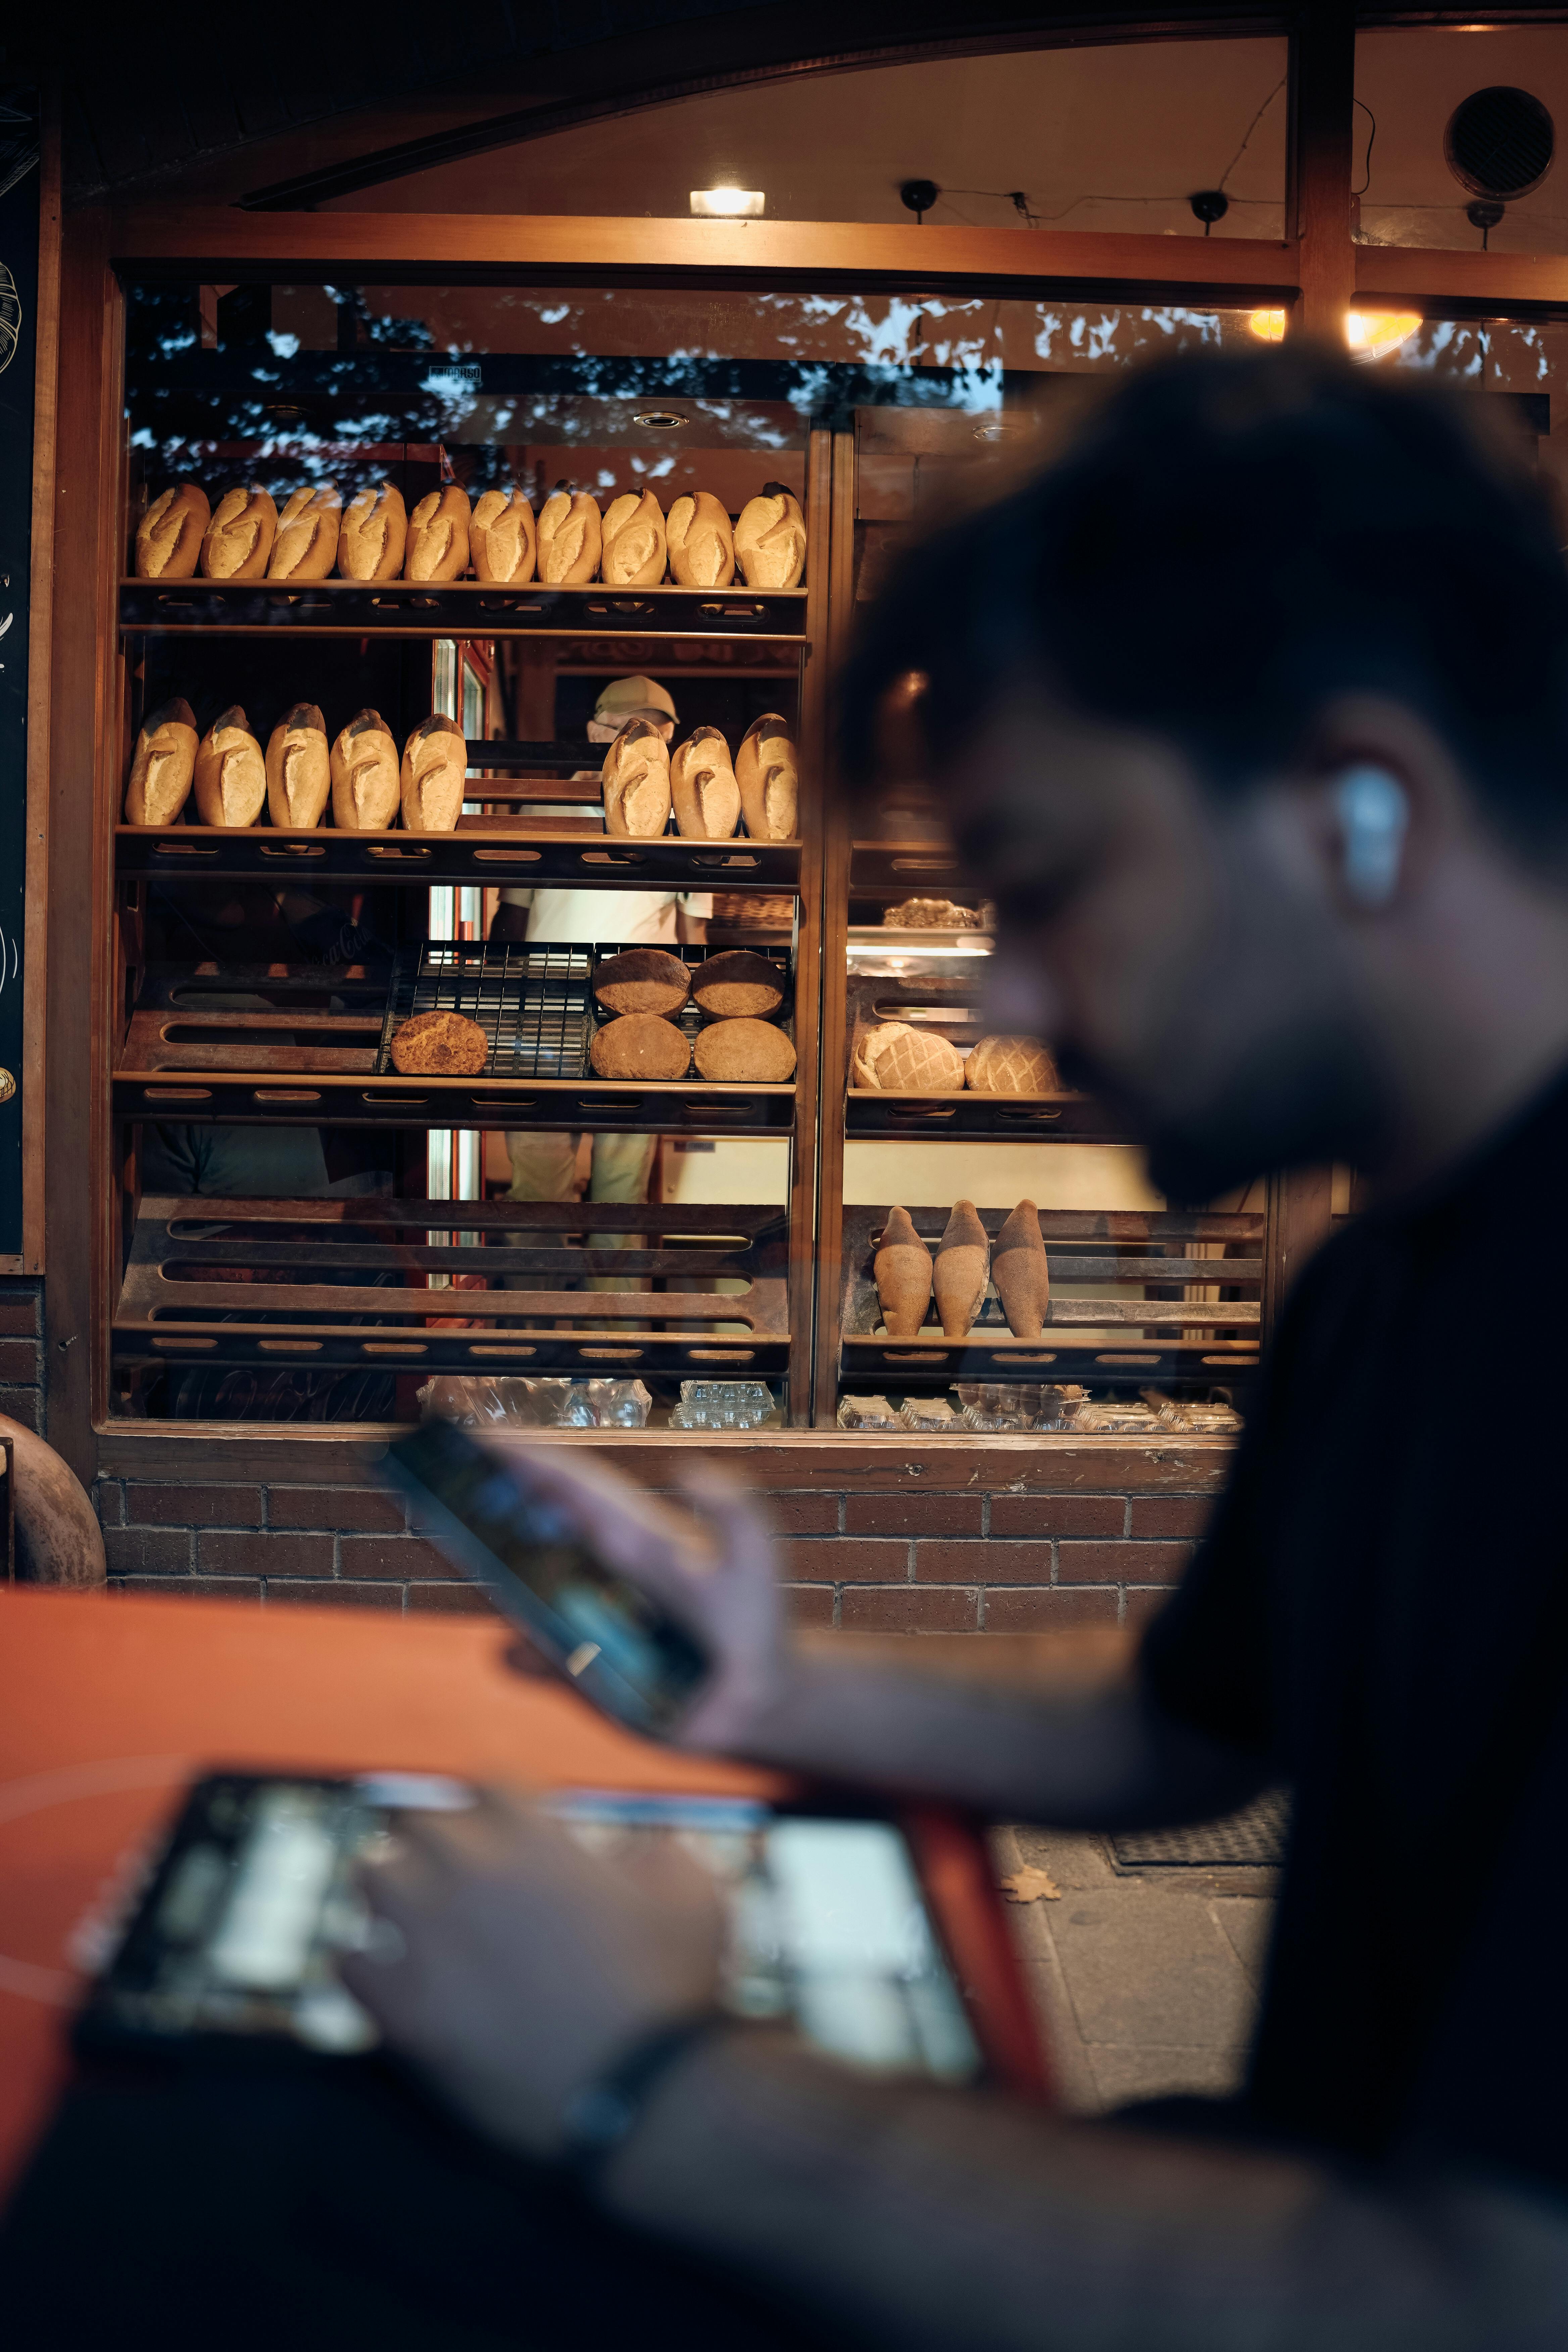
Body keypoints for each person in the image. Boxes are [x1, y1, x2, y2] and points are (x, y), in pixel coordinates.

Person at [334, 349, 1568, 2346]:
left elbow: (1481, 2298)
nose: (995, 983)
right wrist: (774, 1681)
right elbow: (1186, 1724)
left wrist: (643, 2078)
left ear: (1364, 807)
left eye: (1044, 880)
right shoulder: (1396, 1271)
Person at [492, 675, 710, 1272]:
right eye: (628, 729)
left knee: (620, 1200)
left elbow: (694, 936)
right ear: (594, 733)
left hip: (644, 1019)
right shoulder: (549, 801)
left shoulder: (684, 817)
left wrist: (689, 1033)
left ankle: (614, 1352)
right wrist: (496, 1005)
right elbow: (511, 917)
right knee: (538, 1196)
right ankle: (529, 1347)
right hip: (543, 1016)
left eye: (658, 734)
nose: (645, 745)